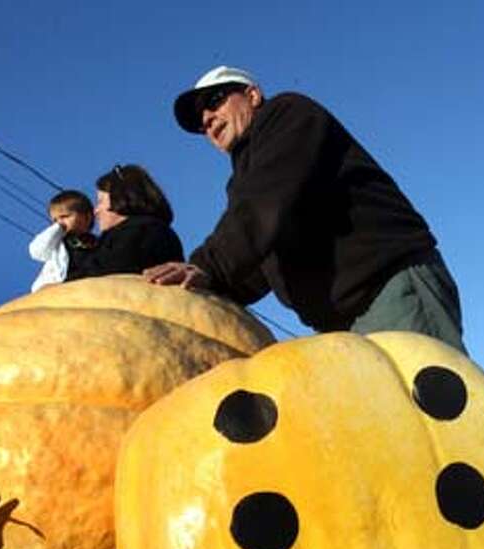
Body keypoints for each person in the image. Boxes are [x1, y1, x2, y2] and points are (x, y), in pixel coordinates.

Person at [143, 65, 466, 353]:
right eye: (200, 122)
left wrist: (208, 266)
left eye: (213, 102)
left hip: (389, 290)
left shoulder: (287, 115)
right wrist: (211, 288)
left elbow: (264, 203)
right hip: (341, 325)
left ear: (252, 95)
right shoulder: (247, 177)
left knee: (434, 413)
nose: (207, 119)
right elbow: (262, 257)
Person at [65, 163, 184, 280]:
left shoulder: (139, 232)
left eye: (100, 201)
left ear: (121, 197)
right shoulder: (151, 230)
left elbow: (102, 274)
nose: (96, 211)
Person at [28, 190, 97, 292]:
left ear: (86, 217)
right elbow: (37, 251)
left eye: (64, 217)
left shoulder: (97, 243)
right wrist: (57, 228)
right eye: (55, 220)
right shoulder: (57, 243)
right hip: (55, 288)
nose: (60, 222)